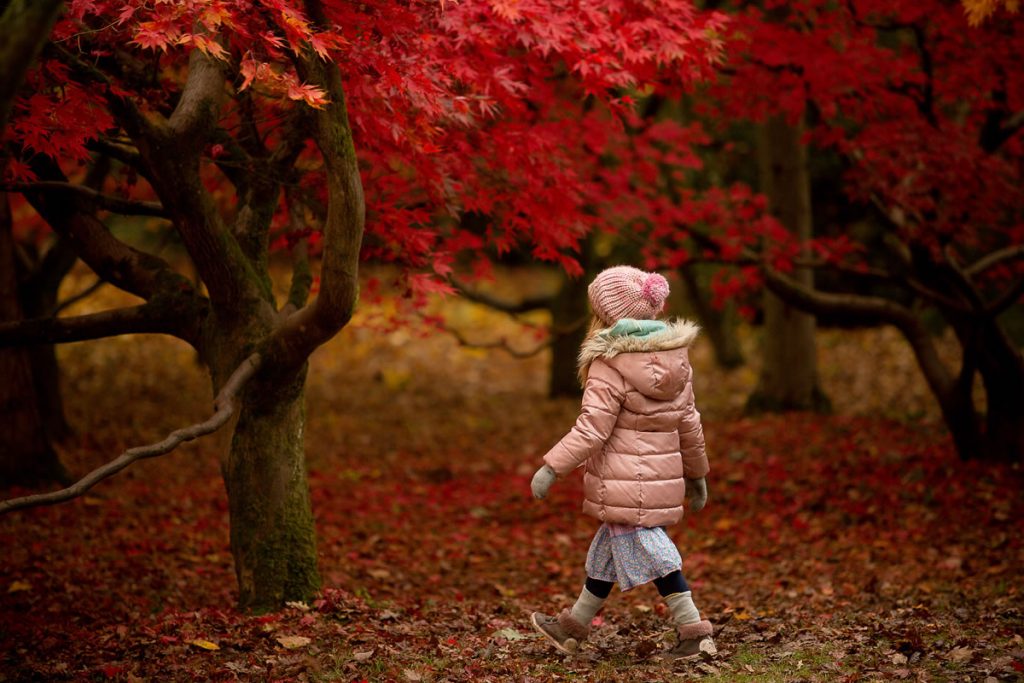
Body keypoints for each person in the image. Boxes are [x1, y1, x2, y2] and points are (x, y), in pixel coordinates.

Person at [529, 265, 716, 659]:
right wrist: (697, 474)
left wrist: (551, 468)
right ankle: (573, 628)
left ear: (605, 315)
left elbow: (591, 430)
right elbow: (690, 423)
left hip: (622, 480)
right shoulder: (675, 358)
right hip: (655, 481)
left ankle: (694, 631)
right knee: (607, 552)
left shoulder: (609, 363)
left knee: (655, 552)